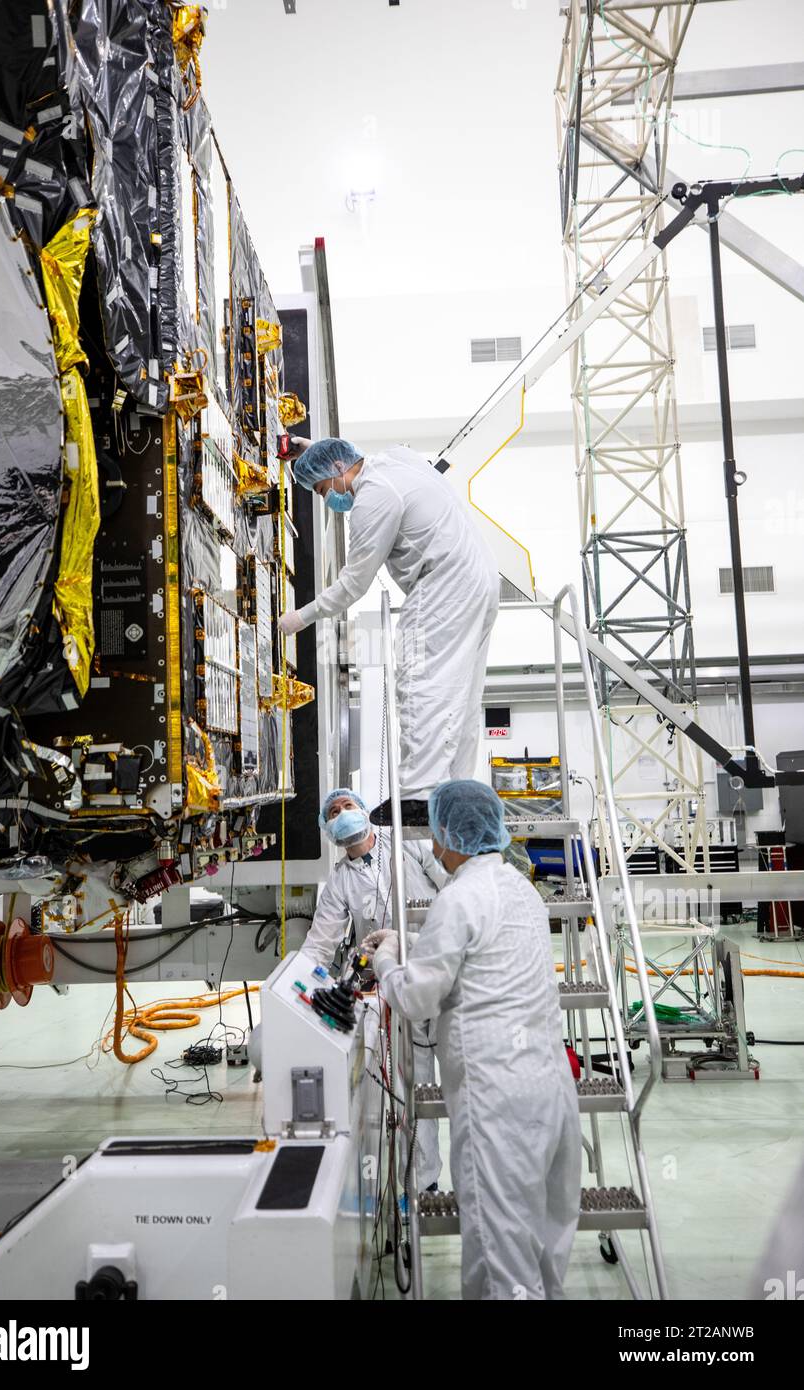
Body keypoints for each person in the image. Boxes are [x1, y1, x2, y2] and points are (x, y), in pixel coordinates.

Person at [363, 778, 581, 1301]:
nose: (432, 839)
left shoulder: (459, 898)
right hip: (549, 1085)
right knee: (543, 1246)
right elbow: (485, 960)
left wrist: (387, 959)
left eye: (436, 828)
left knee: (500, 1253)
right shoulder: (520, 889)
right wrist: (410, 946)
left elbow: (417, 1000)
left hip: (496, 1099)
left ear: (449, 835)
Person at [277, 438, 499, 823]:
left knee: (420, 683)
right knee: (460, 696)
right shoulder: (399, 461)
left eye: (321, 490)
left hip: (442, 585)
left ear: (335, 472)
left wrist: (297, 619)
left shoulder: (373, 498)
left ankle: (417, 796)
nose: (327, 499)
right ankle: (454, 790)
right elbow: (348, 457)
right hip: (478, 580)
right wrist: (316, 450)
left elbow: (353, 585)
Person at [301, 786, 445, 1193]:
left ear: (364, 811)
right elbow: (320, 943)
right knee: (409, 1083)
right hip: (395, 985)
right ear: (328, 829)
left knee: (458, 1076)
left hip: (440, 965)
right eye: (334, 811)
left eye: (348, 806)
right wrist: (296, 985)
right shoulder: (339, 882)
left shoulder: (406, 845)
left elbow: (450, 886)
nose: (343, 813)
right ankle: (422, 1182)